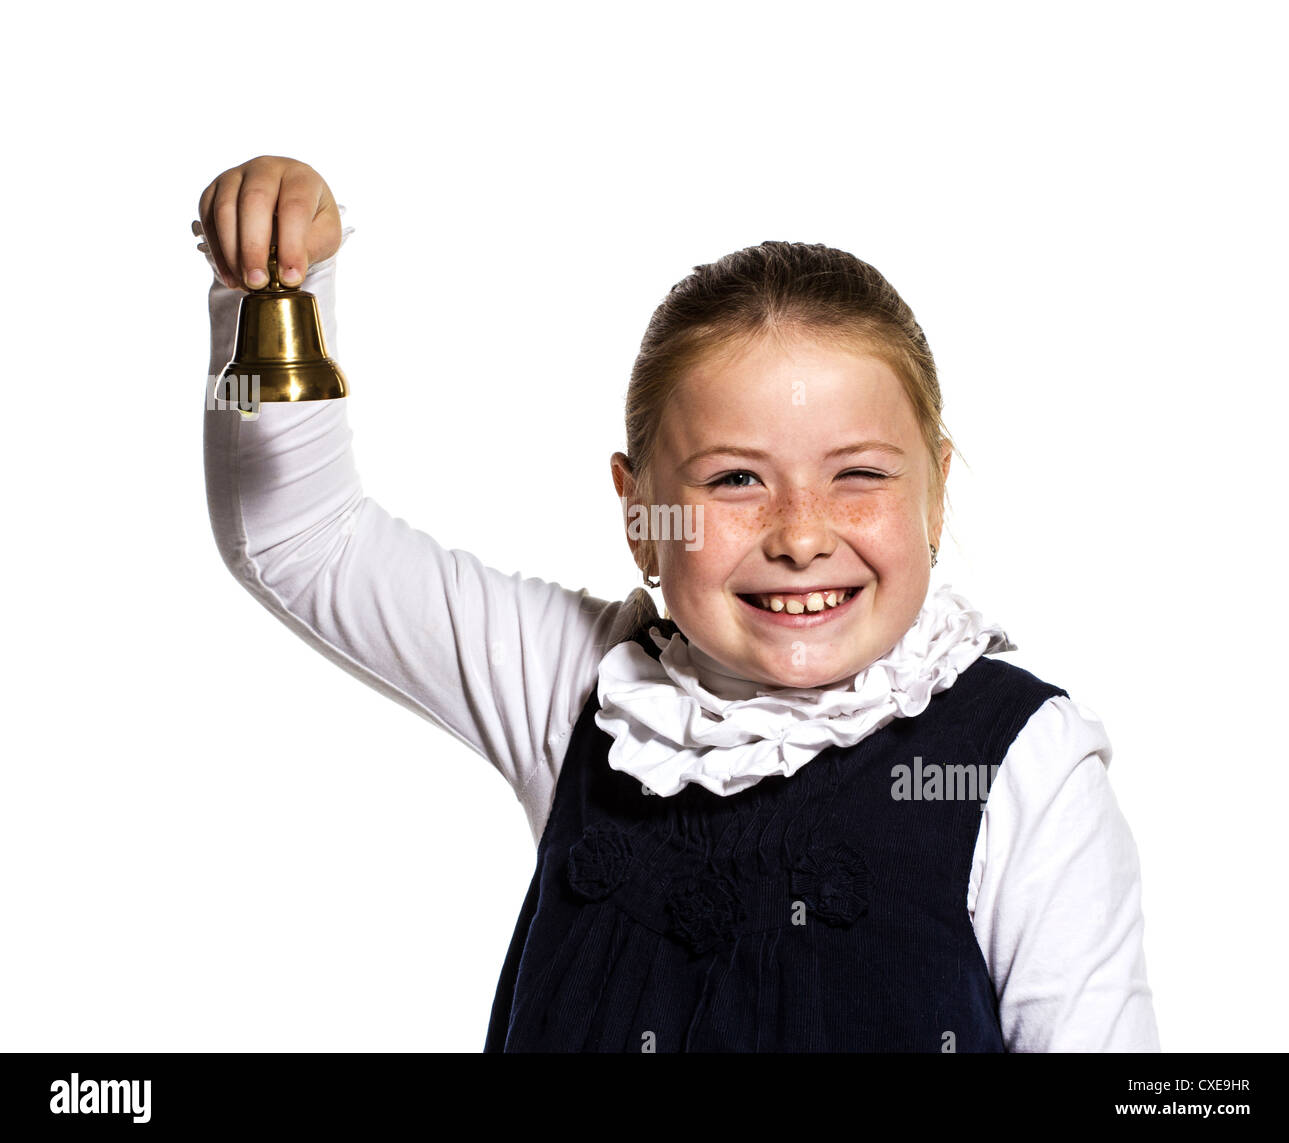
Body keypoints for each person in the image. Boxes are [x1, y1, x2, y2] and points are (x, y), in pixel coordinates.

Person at [196, 155, 1160, 1052]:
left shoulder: (1021, 763)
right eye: (735, 480)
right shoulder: (589, 693)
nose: (801, 533)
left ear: (937, 492)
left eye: (858, 473)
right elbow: (302, 540)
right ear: (639, 512)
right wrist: (279, 291)